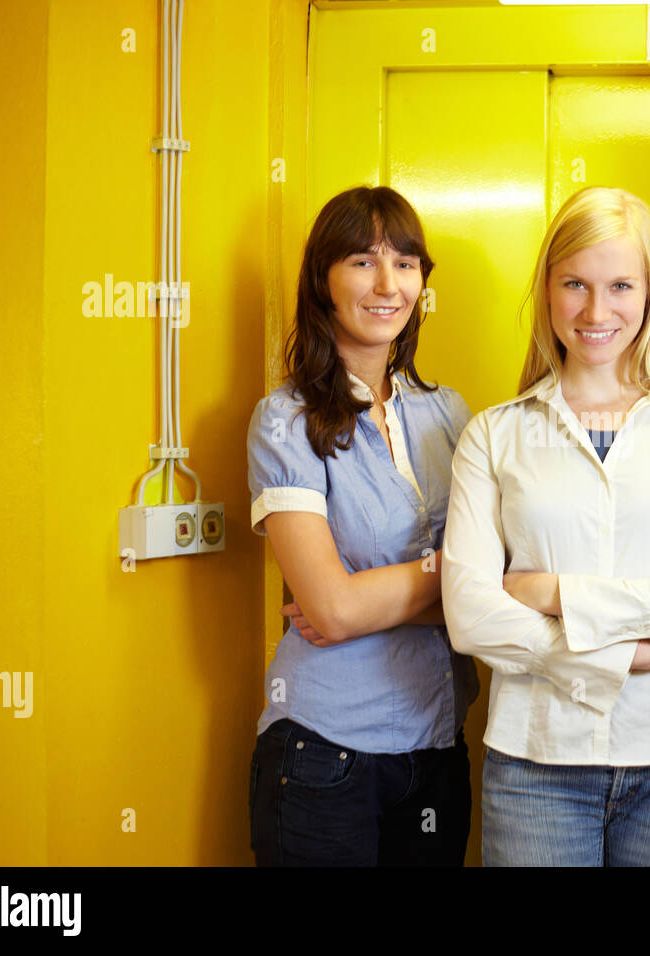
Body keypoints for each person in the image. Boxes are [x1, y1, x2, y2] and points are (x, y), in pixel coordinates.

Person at [442, 186, 650, 866]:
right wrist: (635, 650)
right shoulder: (493, 435)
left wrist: (552, 593)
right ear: (548, 289)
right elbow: (469, 615)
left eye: (620, 285)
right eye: (575, 284)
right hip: (535, 765)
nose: (595, 310)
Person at [245, 185, 479, 866]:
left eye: (405, 264)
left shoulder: (451, 415)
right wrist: (446, 580)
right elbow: (332, 609)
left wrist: (367, 601)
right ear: (323, 281)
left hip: (438, 752)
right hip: (324, 756)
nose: (387, 285)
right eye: (361, 262)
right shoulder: (284, 421)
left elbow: (498, 588)